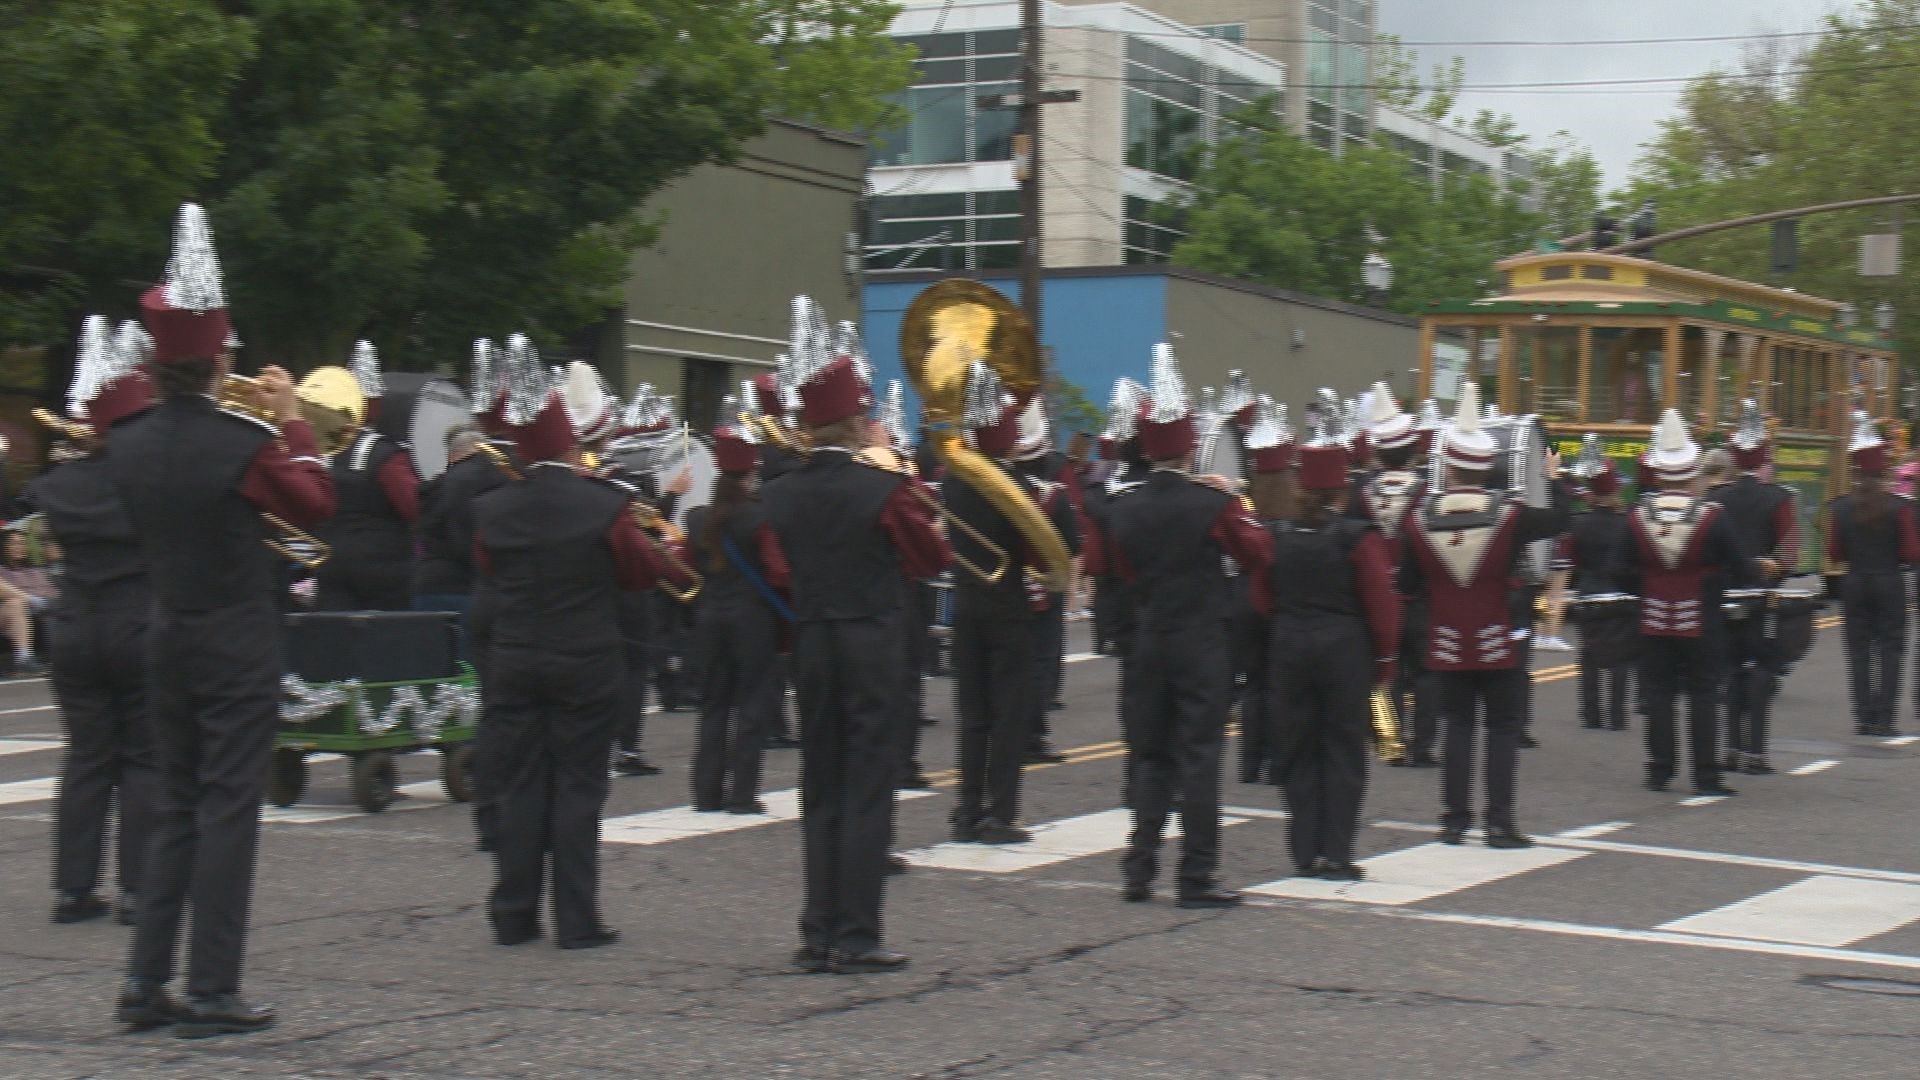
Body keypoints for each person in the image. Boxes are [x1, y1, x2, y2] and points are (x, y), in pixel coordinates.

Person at [113, 205, 336, 1037]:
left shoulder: (128, 441)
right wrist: (292, 420)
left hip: (165, 627)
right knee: (225, 810)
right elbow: (316, 507)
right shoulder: (247, 442)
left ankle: (144, 984)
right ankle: (211, 988)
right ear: (219, 358)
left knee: (173, 807)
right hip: (236, 636)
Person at [472, 343, 691, 951]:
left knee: (520, 786)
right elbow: (639, 573)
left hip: (516, 657)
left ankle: (512, 912)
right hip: (585, 656)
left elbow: (488, 571)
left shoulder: (491, 508)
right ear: (571, 446)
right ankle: (576, 916)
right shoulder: (604, 505)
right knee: (577, 787)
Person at [762, 308, 949, 974]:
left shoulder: (781, 491)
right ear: (858, 421)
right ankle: (858, 932)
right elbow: (931, 558)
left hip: (812, 640)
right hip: (871, 639)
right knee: (867, 785)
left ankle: (817, 930)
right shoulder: (885, 487)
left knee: (821, 783)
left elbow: (777, 563)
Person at [1102, 345, 1272, 908]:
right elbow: (1256, 556)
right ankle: (1196, 876)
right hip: (1201, 637)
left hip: (1150, 634)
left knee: (1150, 754)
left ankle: (1139, 868)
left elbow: (1119, 571)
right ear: (1189, 447)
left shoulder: (1121, 505)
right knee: (1199, 755)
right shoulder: (1212, 501)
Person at [1399, 383, 1568, 849]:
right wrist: (1552, 476)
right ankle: (1499, 822)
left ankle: (1453, 821)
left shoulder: (1417, 518)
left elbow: (1407, 585)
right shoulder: (1512, 514)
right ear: (1489, 467)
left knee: (1457, 727)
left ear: (1448, 466)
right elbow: (1560, 520)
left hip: (1447, 636)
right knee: (1501, 729)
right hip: (1501, 637)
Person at [34, 318, 158, 927]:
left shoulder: (58, 481)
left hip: (75, 621)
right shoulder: (151, 477)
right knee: (143, 759)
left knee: (86, 759)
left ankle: (73, 886)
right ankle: (138, 886)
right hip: (139, 620)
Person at [1268, 420, 1400, 879]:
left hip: (1289, 644)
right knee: (1343, 748)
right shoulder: (1358, 539)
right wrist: (1384, 659)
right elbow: (1382, 603)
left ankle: (1304, 849)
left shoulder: (1278, 534)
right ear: (1341, 489)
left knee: (1298, 747)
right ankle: (1337, 851)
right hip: (1343, 649)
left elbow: (1261, 598)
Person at [943, 373, 1061, 844]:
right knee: (1009, 716)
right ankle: (1000, 814)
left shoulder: (951, 482)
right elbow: (1043, 553)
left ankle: (967, 809)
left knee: (973, 716)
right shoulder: (1017, 487)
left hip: (965, 608)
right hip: (1007, 608)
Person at [1619, 410, 1753, 796]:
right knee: (1704, 693)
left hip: (1653, 617)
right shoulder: (1712, 515)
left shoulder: (1637, 515)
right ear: (1693, 473)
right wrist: (1716, 581)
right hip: (1703, 617)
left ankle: (1659, 770)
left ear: (1659, 474)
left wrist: (1648, 585)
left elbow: (1618, 568)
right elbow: (1741, 568)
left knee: (1658, 693)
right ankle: (1705, 775)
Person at [684, 422, 789, 813]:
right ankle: (742, 794)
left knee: (713, 706)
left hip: (710, 618)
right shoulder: (760, 519)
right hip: (752, 620)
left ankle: (705, 792)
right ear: (749, 473)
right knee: (752, 705)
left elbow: (684, 568)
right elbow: (779, 572)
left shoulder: (696, 519)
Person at [1706, 403, 1800, 772]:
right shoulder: (1779, 498)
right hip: (1762, 597)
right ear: (1763, 457)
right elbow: (1790, 551)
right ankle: (1755, 751)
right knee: (1762, 670)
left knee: (1729, 669)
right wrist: (1772, 567)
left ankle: (1730, 748)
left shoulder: (1715, 499)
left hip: (1724, 595)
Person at [1352, 383, 1437, 767]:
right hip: (1418, 594)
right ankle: (1422, 744)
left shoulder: (1361, 492)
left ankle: (1389, 741)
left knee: (1384, 671)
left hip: (1375, 592)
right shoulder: (1427, 493)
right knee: (1425, 673)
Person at [1829, 413, 1920, 737]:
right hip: (1889, 581)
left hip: (1854, 582)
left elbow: (1833, 553)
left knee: (1858, 650)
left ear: (1855, 469)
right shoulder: (1899, 508)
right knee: (1891, 649)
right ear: (1884, 470)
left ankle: (1863, 716)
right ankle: (1885, 718)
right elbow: (1911, 552)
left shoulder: (1841, 508)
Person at [314, 342, 419, 611]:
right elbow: (415, 507)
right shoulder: (385, 455)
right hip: (383, 571)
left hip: (329, 562)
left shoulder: (320, 450)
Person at [1235, 398, 1294, 784]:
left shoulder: (1243, 506)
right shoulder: (1294, 511)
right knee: (1279, 685)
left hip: (1244, 600)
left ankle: (1250, 762)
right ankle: (1277, 762)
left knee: (1253, 684)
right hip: (1280, 603)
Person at [411, 423, 507, 640]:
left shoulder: (432, 488)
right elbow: (469, 541)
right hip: (467, 588)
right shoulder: (487, 480)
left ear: (451, 455)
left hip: (428, 585)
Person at [1561, 458, 1636, 731]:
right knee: (1621, 659)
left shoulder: (1579, 523)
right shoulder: (1629, 522)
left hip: (1589, 594)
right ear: (1615, 491)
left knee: (1590, 656)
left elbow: (1567, 560)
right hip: (1622, 594)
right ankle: (1617, 716)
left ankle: (1591, 714)